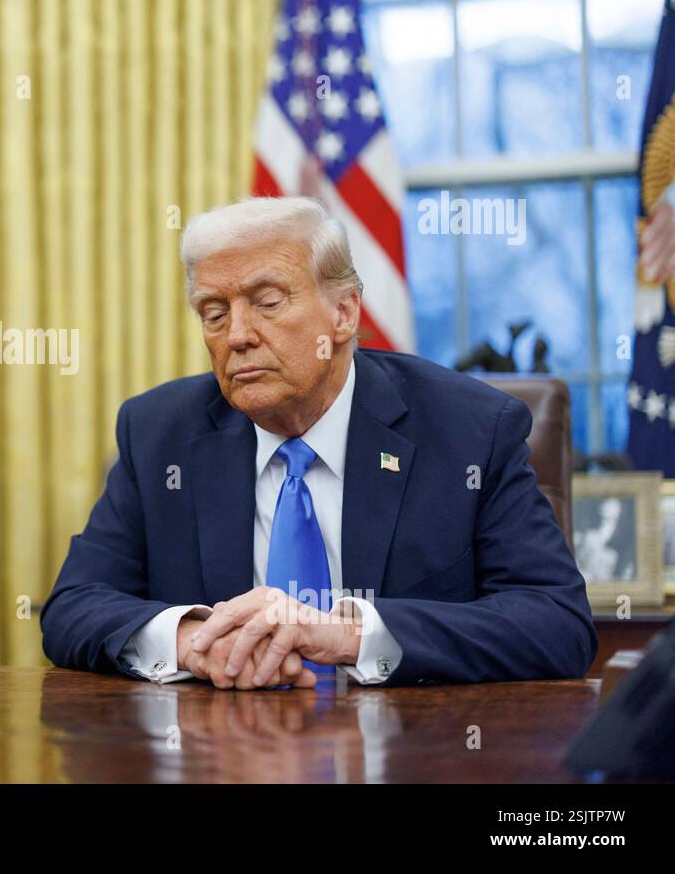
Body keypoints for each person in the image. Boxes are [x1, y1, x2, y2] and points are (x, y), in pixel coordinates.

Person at [40, 196, 597, 689]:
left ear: (343, 313)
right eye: (214, 312)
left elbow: (555, 623)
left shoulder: (469, 430)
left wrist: (348, 635)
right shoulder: (159, 433)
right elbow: (73, 608)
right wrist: (193, 641)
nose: (237, 335)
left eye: (268, 301)